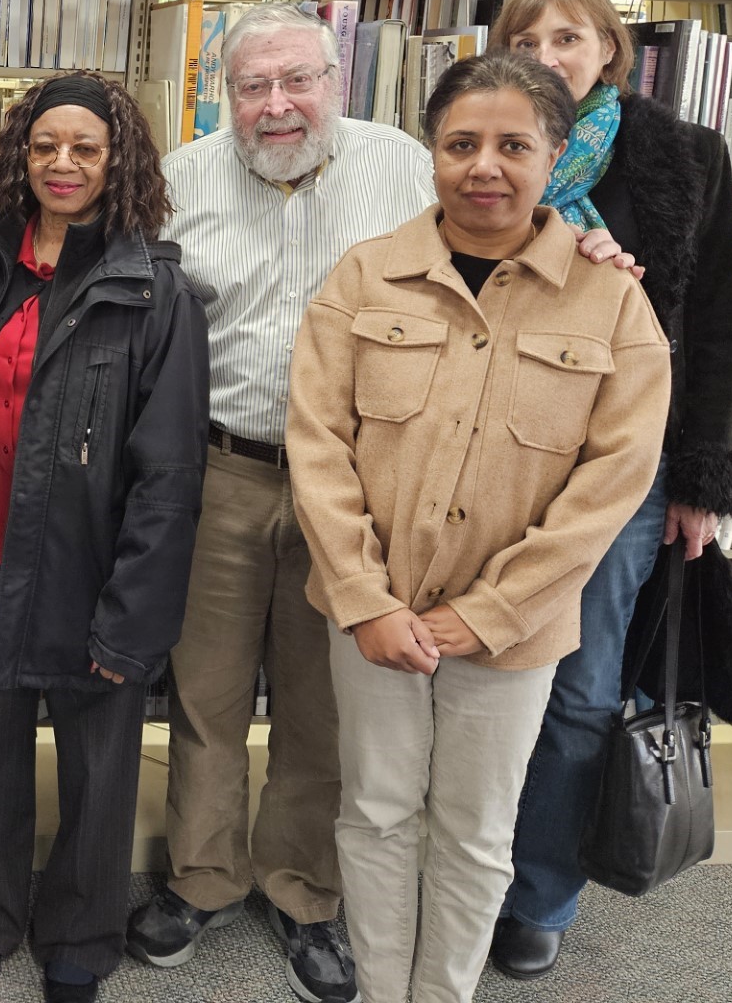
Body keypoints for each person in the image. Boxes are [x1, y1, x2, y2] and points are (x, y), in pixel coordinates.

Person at [286, 51, 672, 1003]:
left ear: (554, 156)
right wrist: (366, 601)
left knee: (473, 828)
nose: (484, 166)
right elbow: (318, 446)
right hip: (372, 617)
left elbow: (614, 480)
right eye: (461, 144)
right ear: (433, 153)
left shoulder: (611, 299)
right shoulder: (367, 277)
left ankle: (444, 993)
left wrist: (497, 608)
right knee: (374, 815)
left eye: (513, 145)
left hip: (519, 630)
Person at [128, 2, 435, 1003]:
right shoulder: (182, 179)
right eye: (253, 86)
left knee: (323, 707)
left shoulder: (403, 168)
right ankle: (203, 879)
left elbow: (502, 249)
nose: (276, 105)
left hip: (352, 487)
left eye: (296, 80)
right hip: (220, 473)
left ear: (334, 82)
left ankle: (304, 893)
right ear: (226, 93)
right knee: (205, 695)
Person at [489, 0, 732, 979]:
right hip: (495, 453)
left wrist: (701, 477)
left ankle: (539, 891)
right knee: (474, 679)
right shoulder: (481, 147)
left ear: (607, 49)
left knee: (583, 688)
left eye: (570, 37)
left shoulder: (685, 159)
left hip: (625, 468)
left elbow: (716, 325)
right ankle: (464, 860)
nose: (550, 55)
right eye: (530, 38)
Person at [0, 73, 208, 1003]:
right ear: (21, 153)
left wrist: (135, 618)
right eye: (46, 145)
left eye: (86, 148)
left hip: (94, 574)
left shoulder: (153, 291)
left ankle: (82, 937)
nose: (63, 164)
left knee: (99, 765)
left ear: (117, 159)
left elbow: (169, 477)